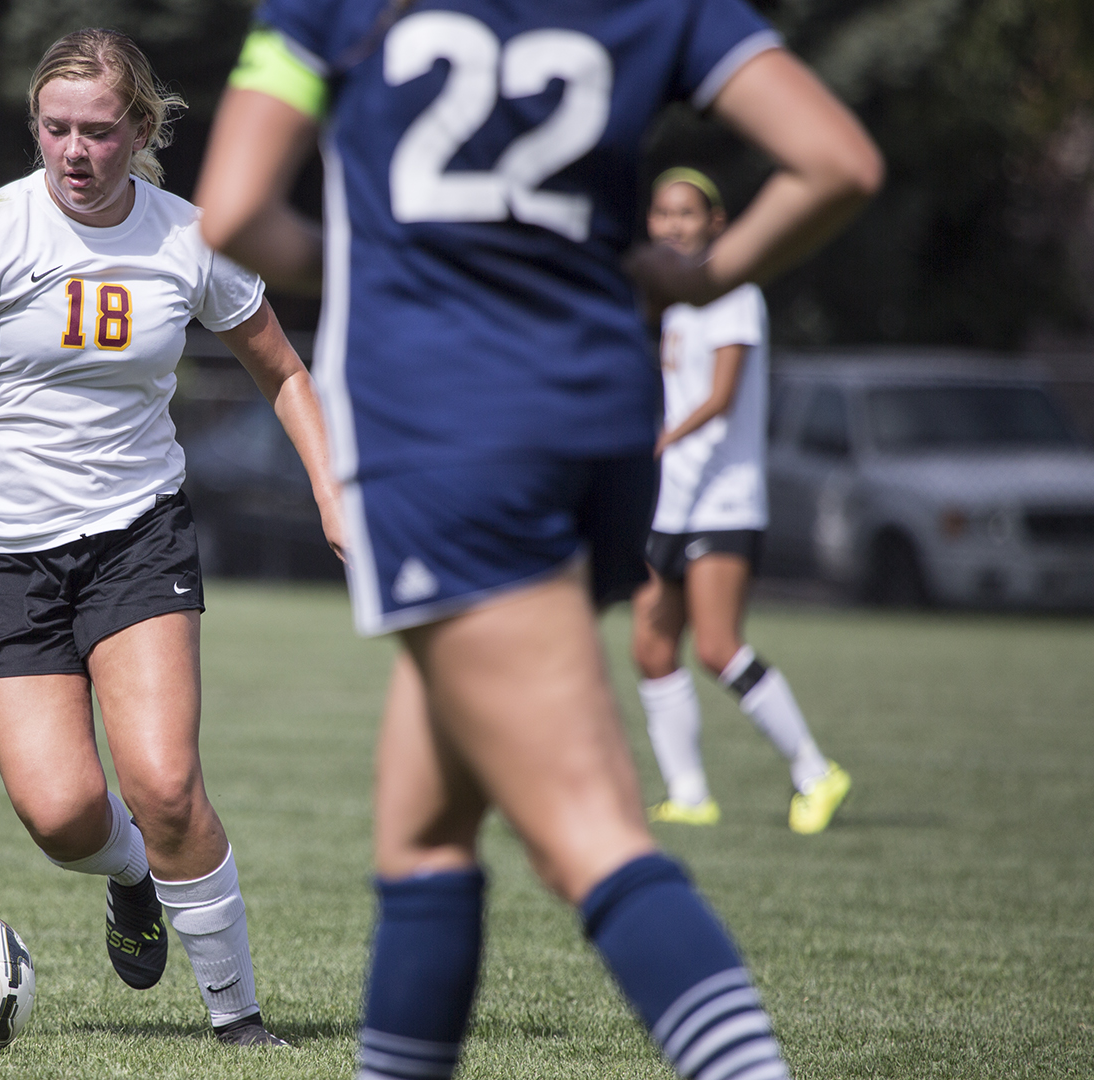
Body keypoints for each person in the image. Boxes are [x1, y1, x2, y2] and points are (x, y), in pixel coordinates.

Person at [196, 2, 881, 1078]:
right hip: (604, 431)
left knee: (589, 836)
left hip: (451, 434)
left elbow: (234, 212)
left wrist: (401, 259)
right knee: (423, 838)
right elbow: (839, 163)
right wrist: (699, 273)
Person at [0, 27, 342, 1048]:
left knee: (167, 784)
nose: (75, 153)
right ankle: (130, 877)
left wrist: (331, 492)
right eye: (56, 129)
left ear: (140, 129)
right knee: (61, 813)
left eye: (99, 131)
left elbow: (285, 372)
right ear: (36, 129)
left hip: (137, 534)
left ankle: (239, 1020)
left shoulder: (191, 237)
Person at [632, 168, 851, 834]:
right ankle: (690, 793)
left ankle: (815, 770)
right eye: (663, 214)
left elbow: (721, 397)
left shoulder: (732, 293)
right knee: (651, 645)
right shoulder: (669, 298)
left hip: (724, 501)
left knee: (718, 646)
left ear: (716, 223)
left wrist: (662, 438)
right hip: (672, 500)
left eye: (688, 214)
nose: (674, 225)